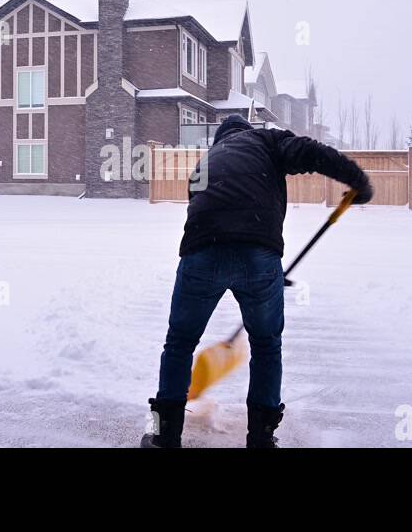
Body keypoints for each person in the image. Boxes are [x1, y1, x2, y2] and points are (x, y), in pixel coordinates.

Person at [142, 114, 373, 448]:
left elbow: (203, 207)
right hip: (258, 253)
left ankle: (165, 435)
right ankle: (262, 439)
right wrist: (356, 179)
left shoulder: (206, 162)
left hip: (202, 251)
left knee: (179, 342)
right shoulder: (267, 141)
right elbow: (310, 151)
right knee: (266, 345)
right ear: (246, 131)